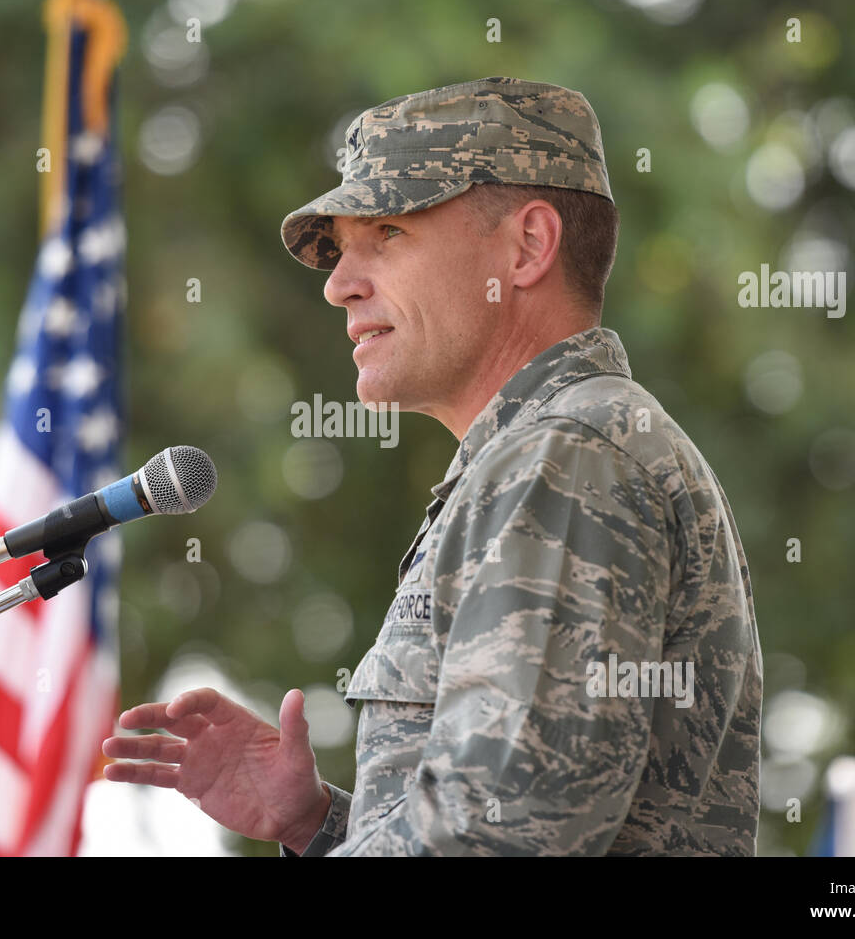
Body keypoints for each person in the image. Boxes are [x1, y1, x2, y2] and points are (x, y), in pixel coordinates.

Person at [103, 77, 762, 856]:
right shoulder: (544, 453)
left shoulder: (569, 455)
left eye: (387, 233)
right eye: (341, 250)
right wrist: (320, 825)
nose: (340, 285)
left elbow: (501, 837)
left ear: (527, 247)